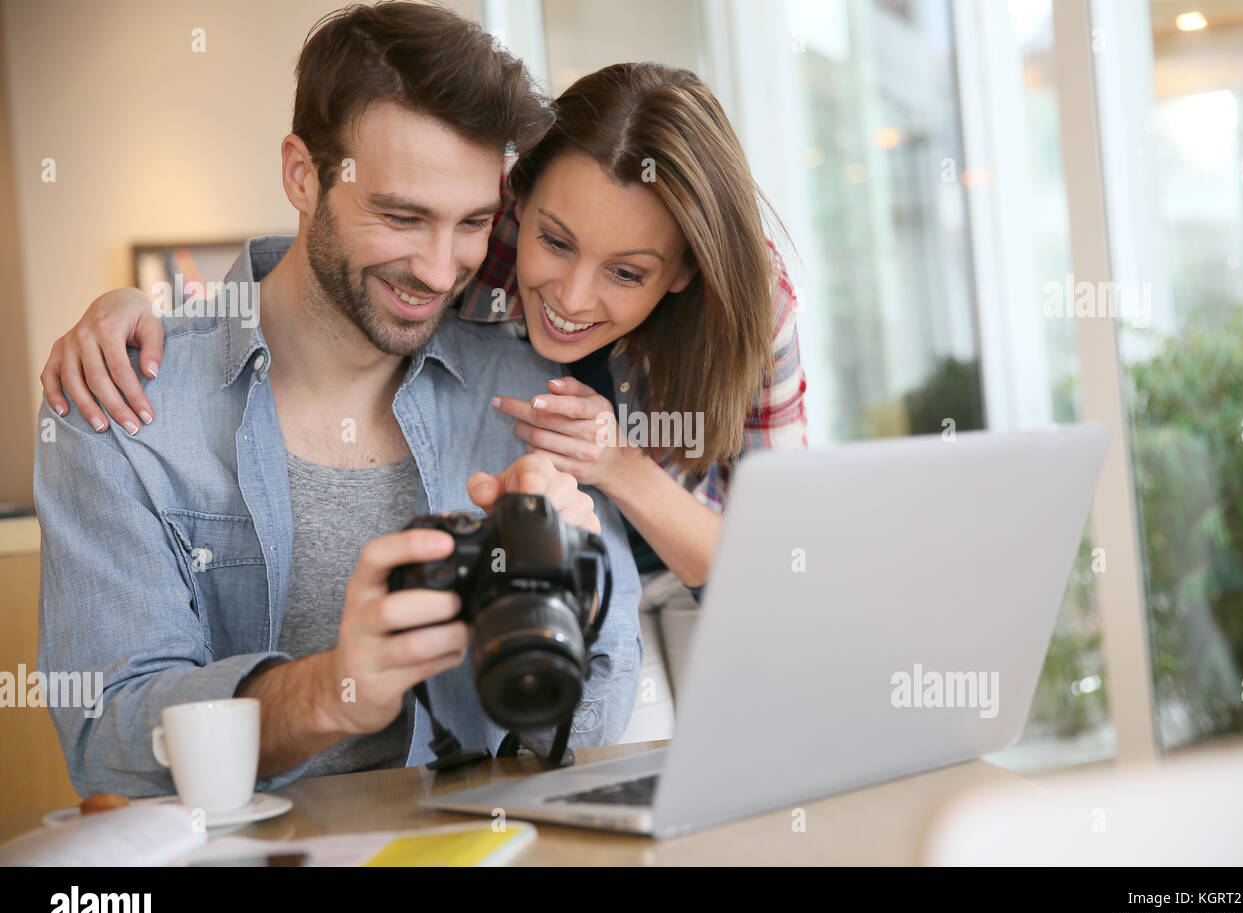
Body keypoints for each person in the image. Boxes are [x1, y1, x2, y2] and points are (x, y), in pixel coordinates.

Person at [34, 1, 643, 799]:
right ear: (301, 174)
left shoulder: (532, 401)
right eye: (401, 216)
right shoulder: (118, 406)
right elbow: (108, 741)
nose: (436, 269)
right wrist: (329, 692)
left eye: (473, 224)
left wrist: (572, 587)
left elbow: (587, 737)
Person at [43, 65, 810, 600]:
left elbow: (770, 562)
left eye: (628, 273)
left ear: (682, 272)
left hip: (700, 584)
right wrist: (147, 317)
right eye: (556, 240)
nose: (571, 297)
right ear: (520, 195)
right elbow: (324, 280)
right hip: (535, 591)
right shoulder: (474, 244)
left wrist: (617, 466)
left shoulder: (750, 308)